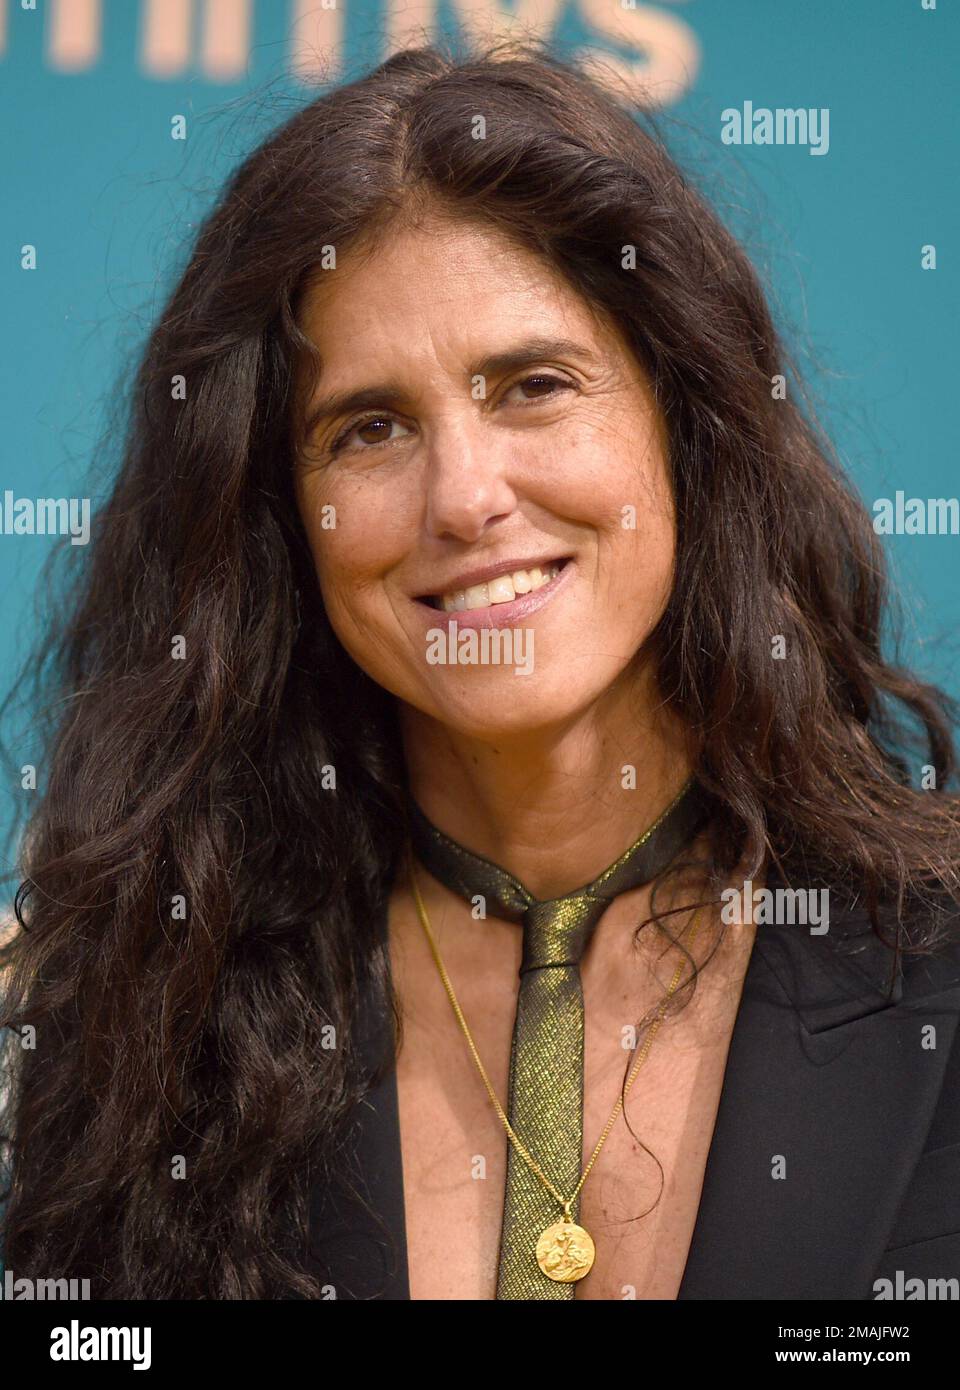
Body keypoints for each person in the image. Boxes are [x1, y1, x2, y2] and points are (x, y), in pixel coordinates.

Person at [2, 38, 959, 1302]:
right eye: (371, 428)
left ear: (688, 427)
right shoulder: (115, 1019)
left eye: (533, 386)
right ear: (283, 516)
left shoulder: (932, 963)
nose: (463, 499)